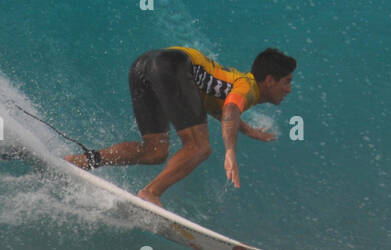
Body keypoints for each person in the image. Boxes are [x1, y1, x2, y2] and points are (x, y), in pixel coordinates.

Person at [66, 46, 295, 206]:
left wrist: (248, 130)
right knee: (199, 148)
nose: (288, 89)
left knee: (154, 151)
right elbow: (230, 110)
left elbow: (219, 108)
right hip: (172, 65)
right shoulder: (248, 87)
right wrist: (230, 152)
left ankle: (80, 161)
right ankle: (151, 192)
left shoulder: (236, 84)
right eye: (286, 82)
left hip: (145, 65)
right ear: (269, 80)